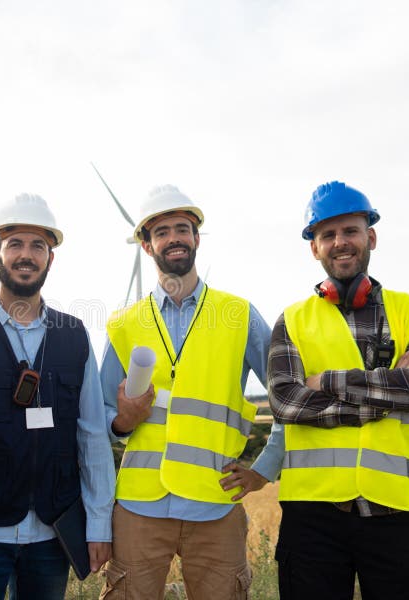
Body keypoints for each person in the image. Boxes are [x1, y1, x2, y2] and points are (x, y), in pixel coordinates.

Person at [268, 181, 409, 600]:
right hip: (313, 517)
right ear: (314, 248)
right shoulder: (292, 320)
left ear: (370, 237)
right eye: (327, 235)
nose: (340, 243)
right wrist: (383, 399)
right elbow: (286, 402)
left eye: (350, 231)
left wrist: (331, 381)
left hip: (398, 514)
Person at [0, 193, 115, 600]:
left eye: (38, 246)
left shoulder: (75, 335)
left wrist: (99, 524)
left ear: (51, 258)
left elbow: (92, 438)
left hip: (53, 537)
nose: (26, 255)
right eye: (15, 244)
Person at [100, 184, 281, 600]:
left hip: (214, 505)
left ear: (197, 238)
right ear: (147, 246)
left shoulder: (238, 314)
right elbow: (98, 414)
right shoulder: (124, 323)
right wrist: (121, 420)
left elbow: (287, 397)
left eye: (182, 228)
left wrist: (264, 468)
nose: (174, 238)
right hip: (138, 507)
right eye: (161, 232)